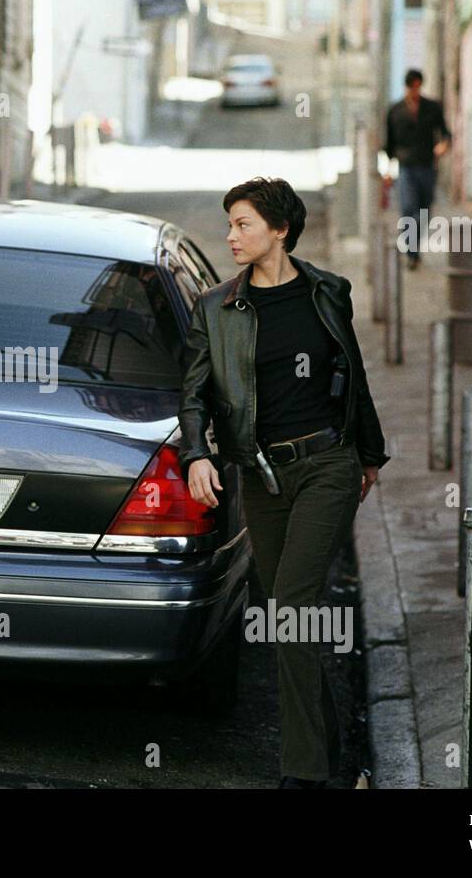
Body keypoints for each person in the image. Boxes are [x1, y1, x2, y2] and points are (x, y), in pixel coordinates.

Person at [178, 177, 390, 788]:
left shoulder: (328, 292)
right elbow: (193, 395)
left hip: (327, 464)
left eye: (243, 224)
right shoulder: (215, 308)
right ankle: (330, 751)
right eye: (229, 224)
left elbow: (352, 374)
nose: (231, 236)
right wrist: (198, 454)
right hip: (261, 475)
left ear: (280, 230)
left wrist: (368, 454)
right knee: (283, 616)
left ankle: (303, 775)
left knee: (294, 607)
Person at [384, 69, 452, 270]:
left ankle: (414, 248)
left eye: (417, 87)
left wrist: (443, 146)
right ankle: (411, 252)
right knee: (408, 208)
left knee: (423, 212)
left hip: (427, 166)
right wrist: (388, 171)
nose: (414, 91)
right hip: (405, 167)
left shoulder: (432, 108)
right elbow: (389, 145)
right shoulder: (395, 111)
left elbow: (445, 134)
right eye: (411, 87)